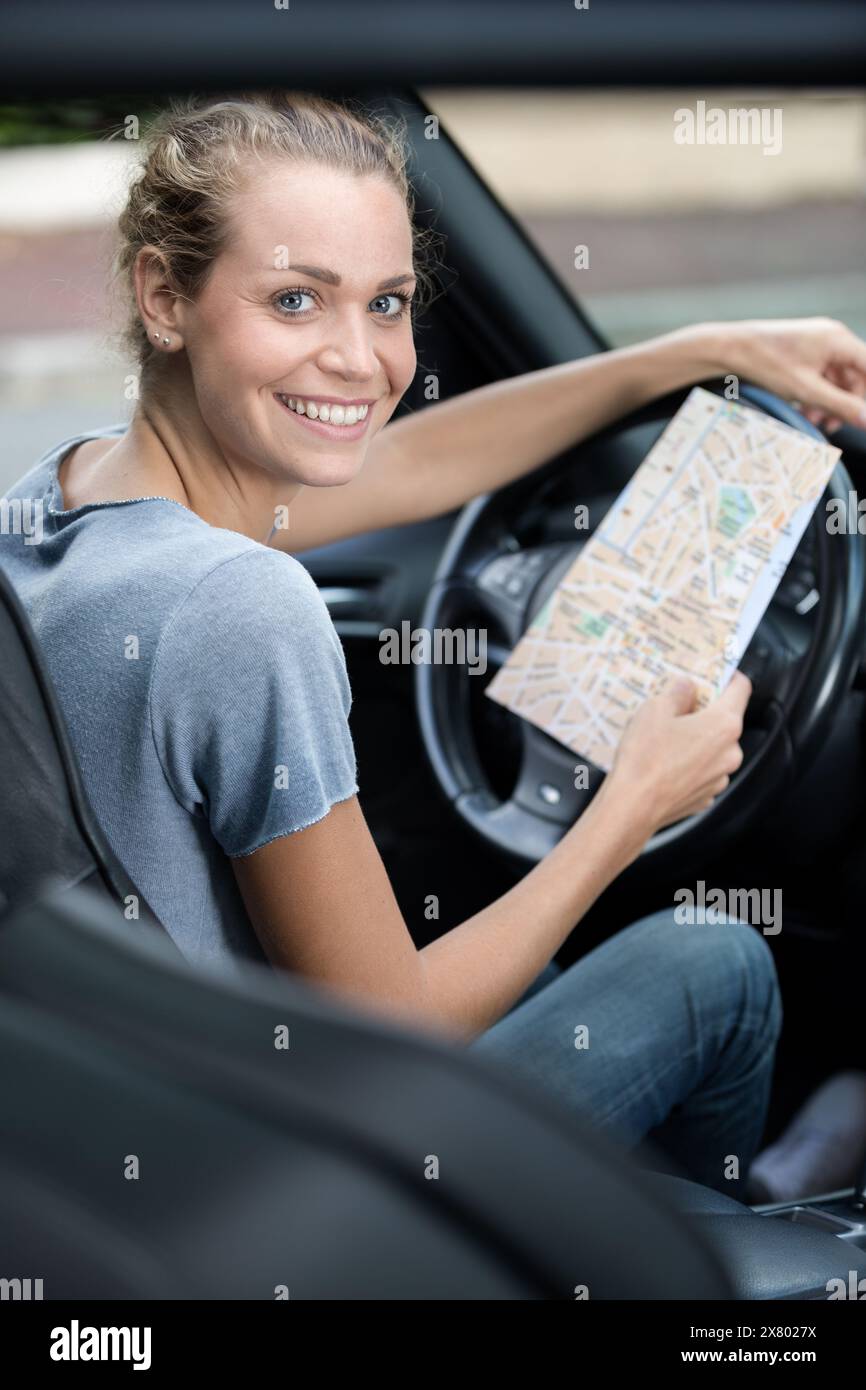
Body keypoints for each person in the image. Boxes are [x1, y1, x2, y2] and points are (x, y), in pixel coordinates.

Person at [3, 91, 866, 1197]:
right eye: (296, 299)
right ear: (164, 295)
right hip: (286, 1181)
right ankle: (719, 1241)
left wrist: (703, 350)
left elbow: (407, 467)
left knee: (538, 961)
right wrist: (630, 805)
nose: (359, 362)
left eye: (388, 302)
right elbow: (385, 1024)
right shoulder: (239, 605)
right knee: (717, 963)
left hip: (154, 1131)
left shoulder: (68, 500)